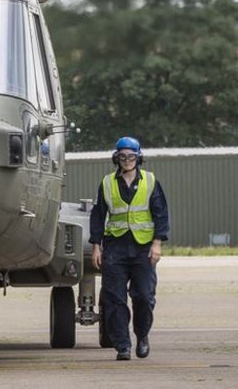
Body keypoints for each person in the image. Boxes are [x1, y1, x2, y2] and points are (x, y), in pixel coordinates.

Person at [89, 136, 170, 361]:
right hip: (115, 248)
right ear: (116, 158)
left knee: (144, 296)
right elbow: (98, 217)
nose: (127, 160)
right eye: (122, 156)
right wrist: (96, 247)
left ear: (138, 157)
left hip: (143, 248)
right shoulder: (107, 183)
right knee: (114, 299)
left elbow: (161, 214)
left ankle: (142, 336)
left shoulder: (150, 181)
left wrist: (157, 243)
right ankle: (122, 345)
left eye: (131, 156)